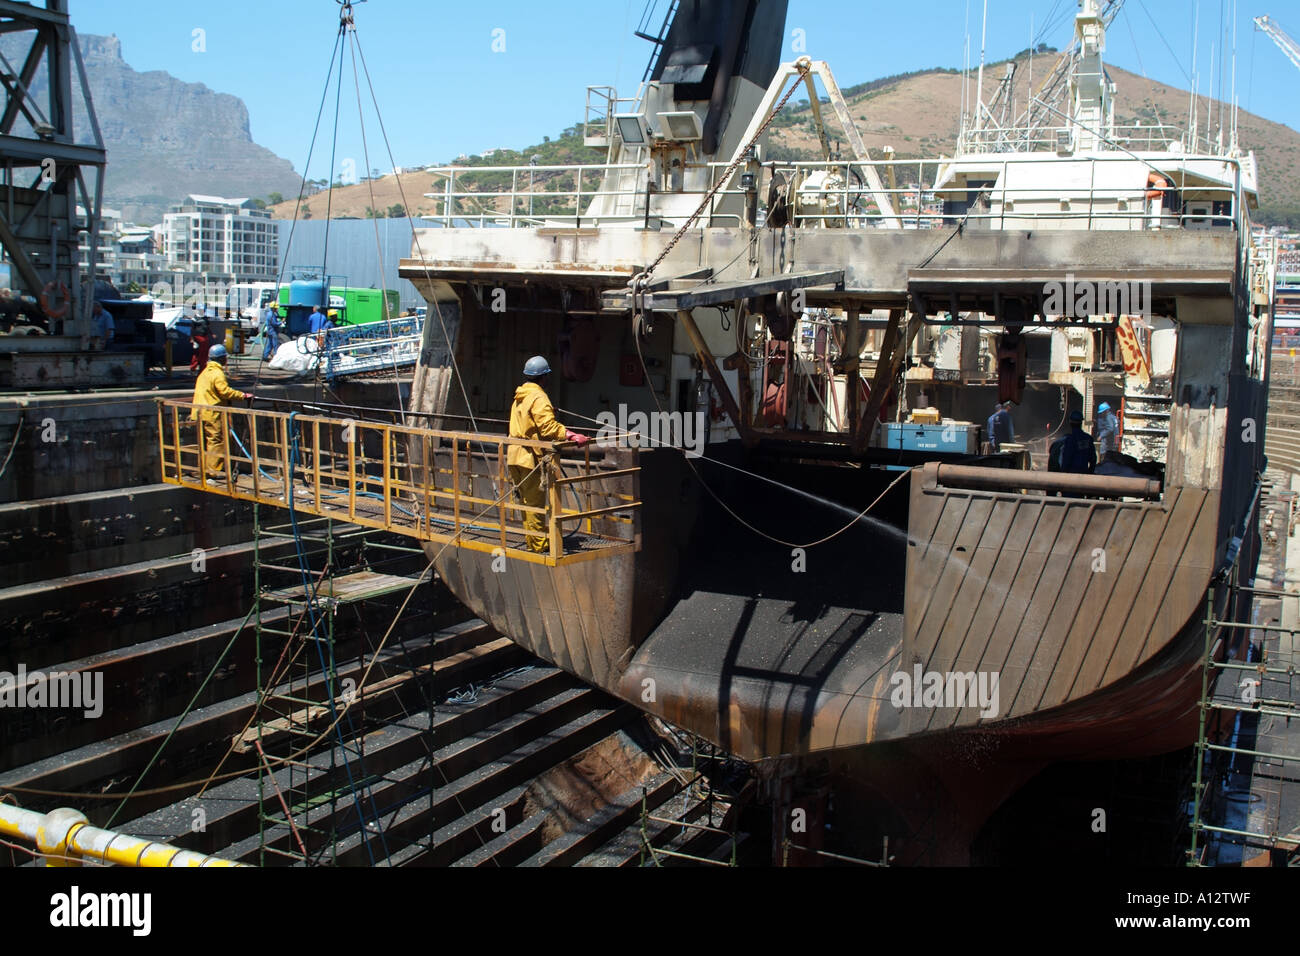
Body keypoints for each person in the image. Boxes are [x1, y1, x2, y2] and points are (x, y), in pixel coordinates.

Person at [506, 355, 588, 553]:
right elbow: (548, 426)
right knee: (534, 503)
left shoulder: (521, 395)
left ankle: (532, 541)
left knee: (527, 503)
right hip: (528, 458)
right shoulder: (539, 397)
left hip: (514, 454)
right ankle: (539, 545)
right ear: (543, 377)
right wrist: (571, 435)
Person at [190, 343, 252, 485]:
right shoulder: (217, 373)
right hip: (211, 413)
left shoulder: (205, 372)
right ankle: (213, 472)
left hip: (200, 412)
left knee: (209, 441)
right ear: (221, 358)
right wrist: (242, 395)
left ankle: (208, 469)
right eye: (225, 358)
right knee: (216, 441)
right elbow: (224, 391)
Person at [1049, 409, 1096, 475]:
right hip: (1084, 476)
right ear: (1081, 422)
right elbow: (1093, 459)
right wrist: (1090, 473)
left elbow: (1066, 459)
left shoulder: (1069, 440)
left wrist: (1062, 475)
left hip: (1071, 477)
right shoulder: (1088, 439)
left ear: (1070, 422)